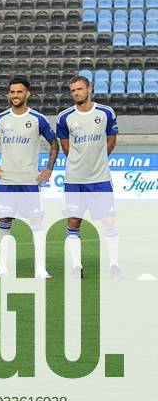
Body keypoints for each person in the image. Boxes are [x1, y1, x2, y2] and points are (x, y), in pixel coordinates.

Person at [0, 76, 59, 280]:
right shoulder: (1, 119)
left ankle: (40, 269)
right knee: (4, 221)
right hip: (6, 181)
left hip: (30, 181)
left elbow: (54, 143)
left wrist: (49, 169)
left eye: (19, 92)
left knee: (36, 222)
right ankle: (2, 267)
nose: (15, 95)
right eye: (12, 92)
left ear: (27, 94)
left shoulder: (38, 119)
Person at [56, 75, 120, 279]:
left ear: (89, 88)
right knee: (74, 222)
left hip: (100, 179)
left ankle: (114, 265)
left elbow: (111, 142)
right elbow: (66, 147)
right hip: (74, 180)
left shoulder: (106, 112)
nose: (76, 93)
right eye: (73, 90)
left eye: (80, 89)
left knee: (108, 221)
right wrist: (81, 163)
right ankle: (77, 266)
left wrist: (96, 161)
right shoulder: (64, 117)